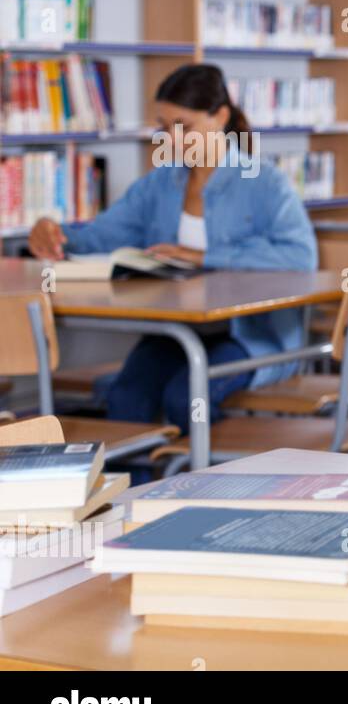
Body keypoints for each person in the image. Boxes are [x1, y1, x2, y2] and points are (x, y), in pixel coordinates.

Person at [27, 64, 317, 433]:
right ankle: (133, 490)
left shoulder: (265, 183)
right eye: (164, 127)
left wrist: (204, 257)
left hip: (251, 337)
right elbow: (102, 234)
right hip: (177, 332)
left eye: (184, 126)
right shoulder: (159, 185)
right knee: (126, 397)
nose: (172, 138)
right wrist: (54, 232)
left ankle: (210, 486)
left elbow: (300, 256)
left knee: (186, 398)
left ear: (219, 116)